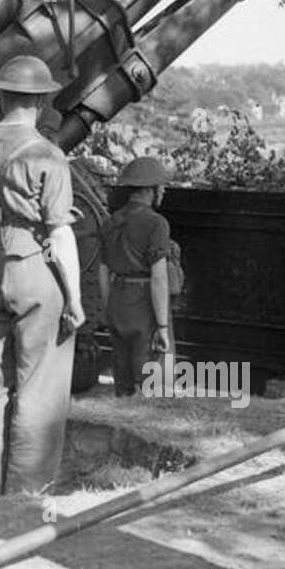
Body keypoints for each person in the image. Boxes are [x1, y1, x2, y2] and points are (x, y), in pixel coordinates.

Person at [0, 54, 84, 496]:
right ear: (43, 101)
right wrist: (76, 300)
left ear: (0, 97)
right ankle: (27, 491)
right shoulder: (48, 154)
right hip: (36, 274)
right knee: (39, 386)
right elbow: (61, 236)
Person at [98, 156, 176, 396]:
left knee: (122, 376)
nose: (163, 191)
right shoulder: (156, 223)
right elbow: (159, 278)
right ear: (150, 189)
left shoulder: (110, 222)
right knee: (152, 379)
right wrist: (162, 325)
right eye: (161, 186)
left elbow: (103, 271)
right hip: (145, 303)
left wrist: (108, 308)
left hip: (117, 300)